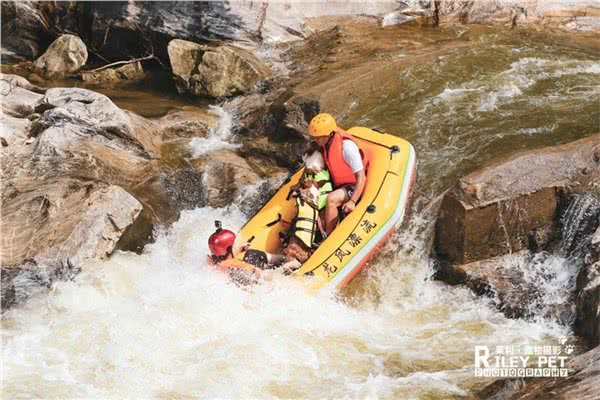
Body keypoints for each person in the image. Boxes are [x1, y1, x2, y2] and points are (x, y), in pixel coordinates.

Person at [307, 113, 368, 235]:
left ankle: (329, 236)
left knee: (331, 199)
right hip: (338, 184)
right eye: (315, 137)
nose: (316, 140)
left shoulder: (347, 148)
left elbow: (361, 177)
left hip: (353, 185)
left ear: (329, 134)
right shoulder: (325, 144)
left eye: (318, 137)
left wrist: (352, 201)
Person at [207, 221, 285, 282]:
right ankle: (284, 258)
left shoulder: (211, 261)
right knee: (252, 254)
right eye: (234, 244)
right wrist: (286, 268)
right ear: (229, 249)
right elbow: (264, 276)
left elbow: (225, 257)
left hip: (236, 284)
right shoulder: (236, 264)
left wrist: (238, 248)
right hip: (251, 285)